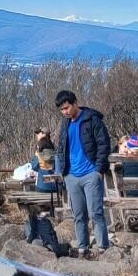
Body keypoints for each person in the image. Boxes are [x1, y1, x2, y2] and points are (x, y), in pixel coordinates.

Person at [54, 89, 111, 257]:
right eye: (62, 110)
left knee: (95, 212)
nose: (65, 112)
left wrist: (99, 170)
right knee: (79, 215)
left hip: (90, 173)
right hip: (71, 175)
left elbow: (104, 144)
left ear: (75, 103)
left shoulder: (92, 119)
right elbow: (61, 147)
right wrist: (63, 172)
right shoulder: (66, 123)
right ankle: (82, 248)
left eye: (67, 108)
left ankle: (103, 248)